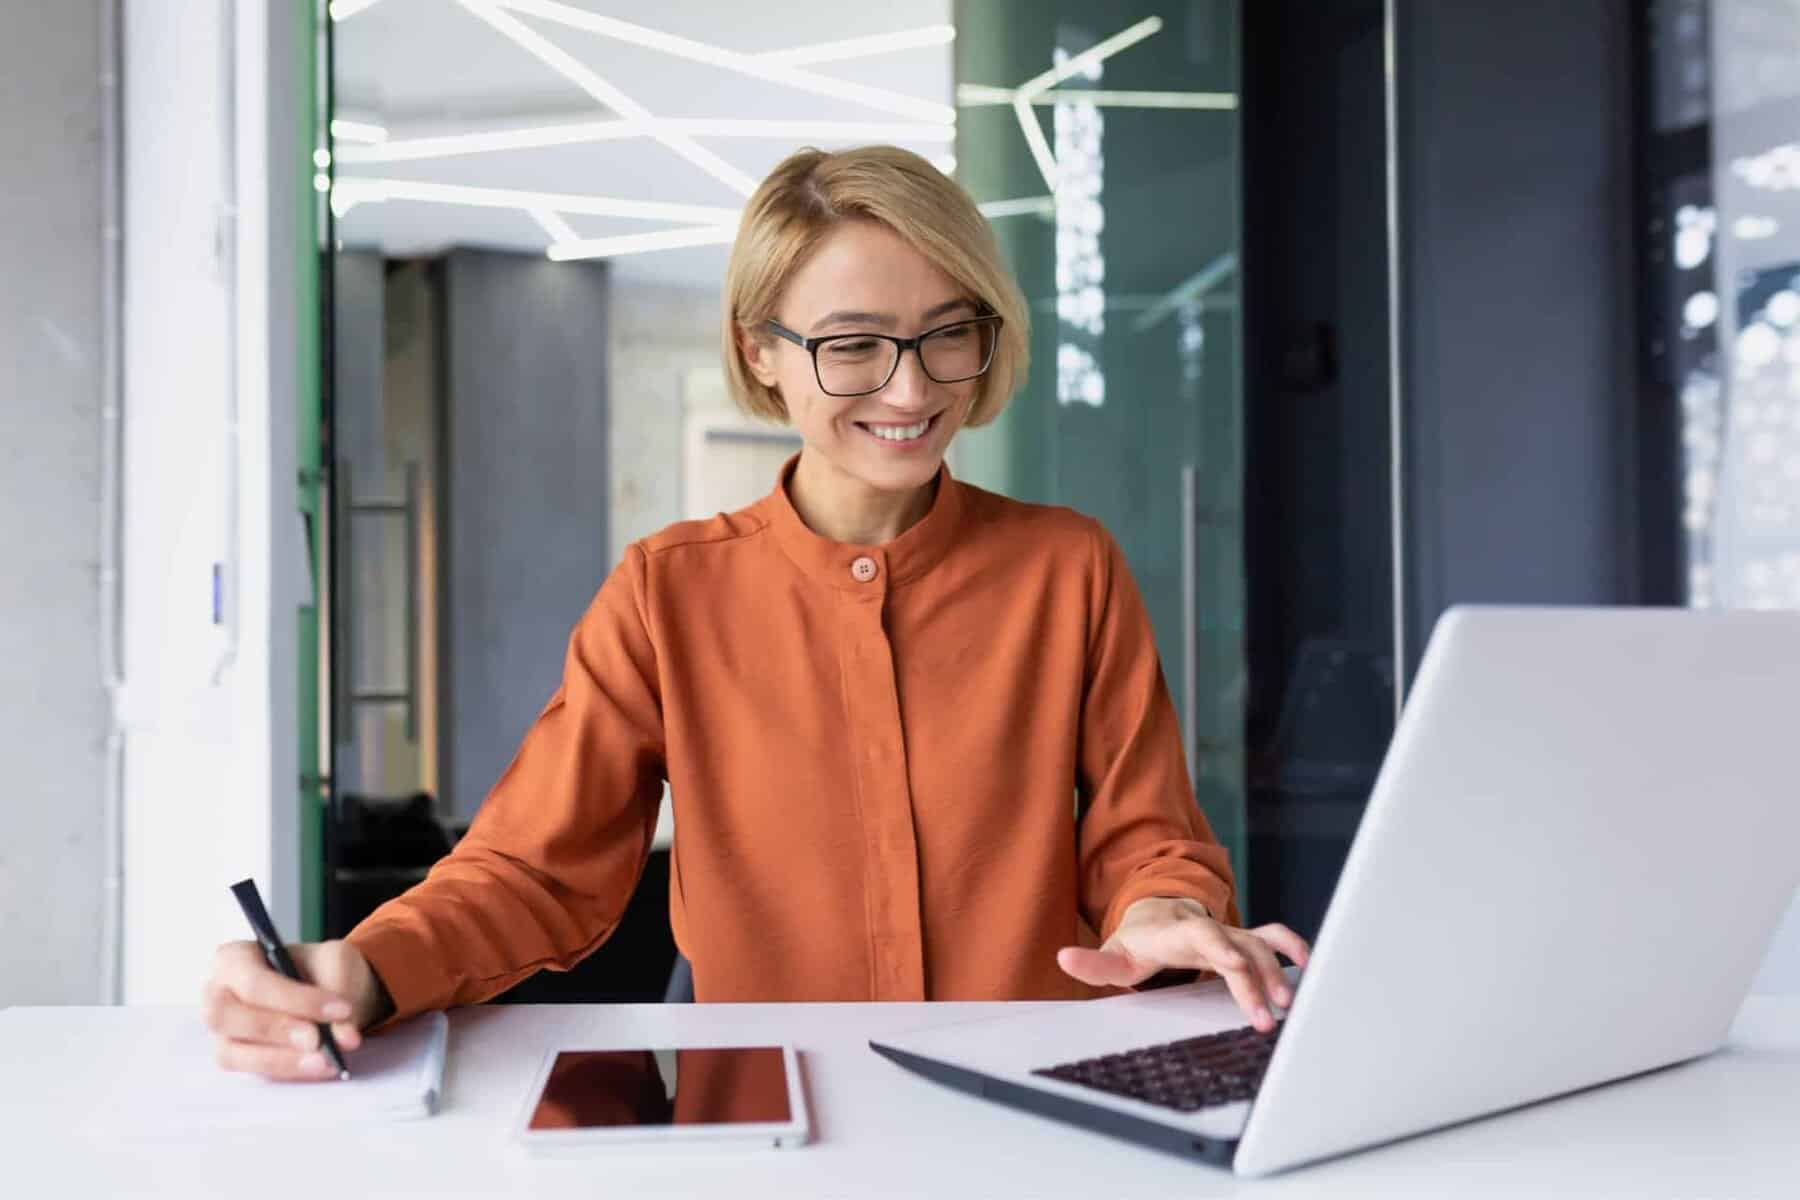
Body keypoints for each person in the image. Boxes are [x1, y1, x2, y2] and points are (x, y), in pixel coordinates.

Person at [202, 145, 1310, 1081]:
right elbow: (536, 870)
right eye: (855, 344)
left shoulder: (1068, 568)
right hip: (773, 1115)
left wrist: (1164, 907)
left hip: (1035, 1095)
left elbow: (1145, 831)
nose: (913, 389)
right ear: (760, 354)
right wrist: (370, 964)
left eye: (947, 333)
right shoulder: (667, 592)